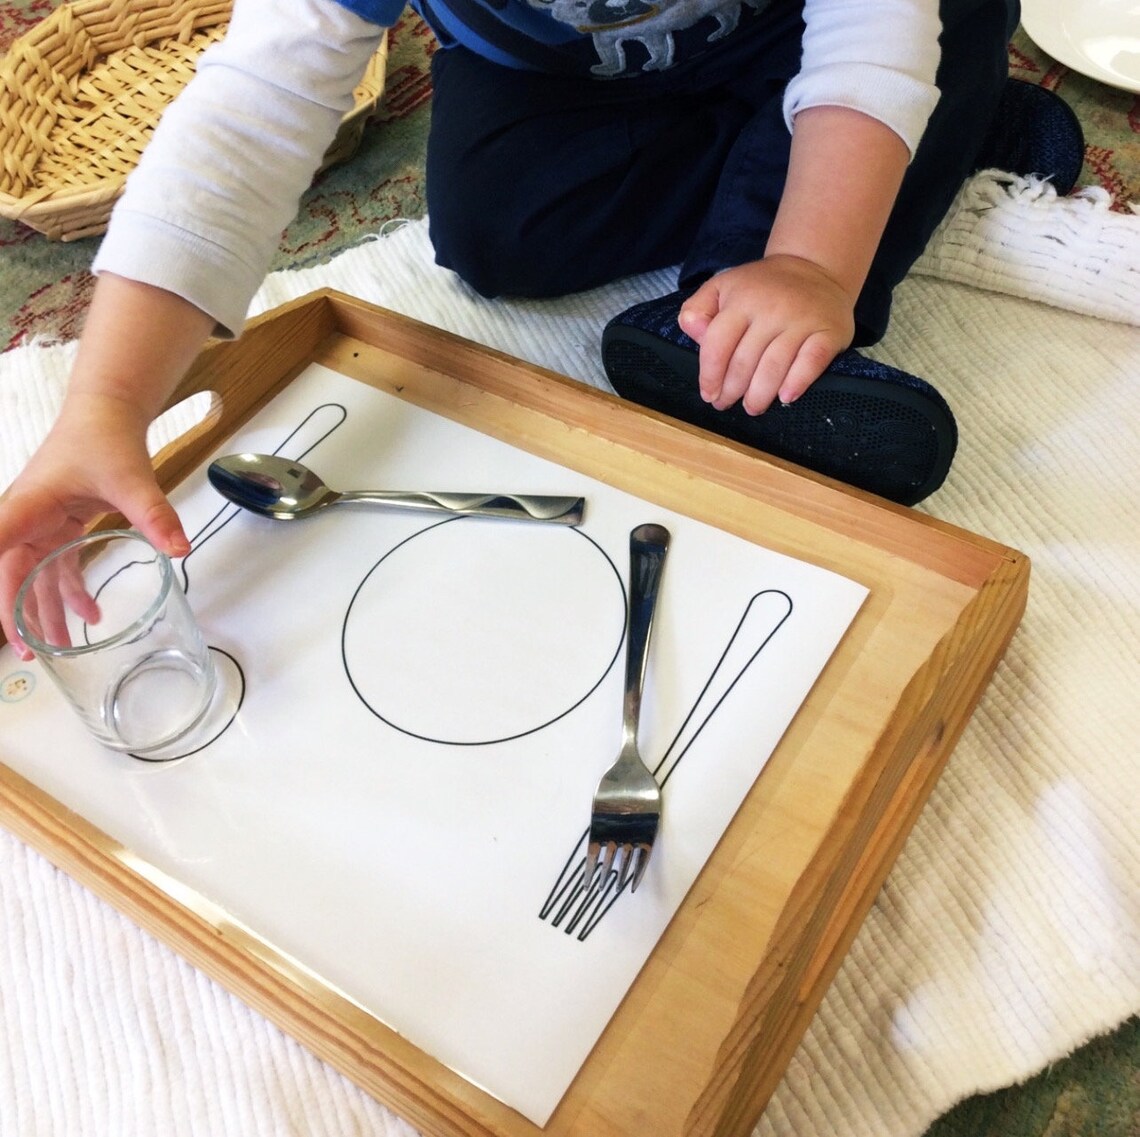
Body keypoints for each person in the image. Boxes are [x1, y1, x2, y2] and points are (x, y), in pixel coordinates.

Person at [0, 0, 1084, 657]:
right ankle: (934, 132)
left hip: (809, 34)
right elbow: (244, 121)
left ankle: (938, 128)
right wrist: (104, 405)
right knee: (493, 233)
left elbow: (871, 40)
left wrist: (806, 263)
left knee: (887, 118)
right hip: (570, 82)